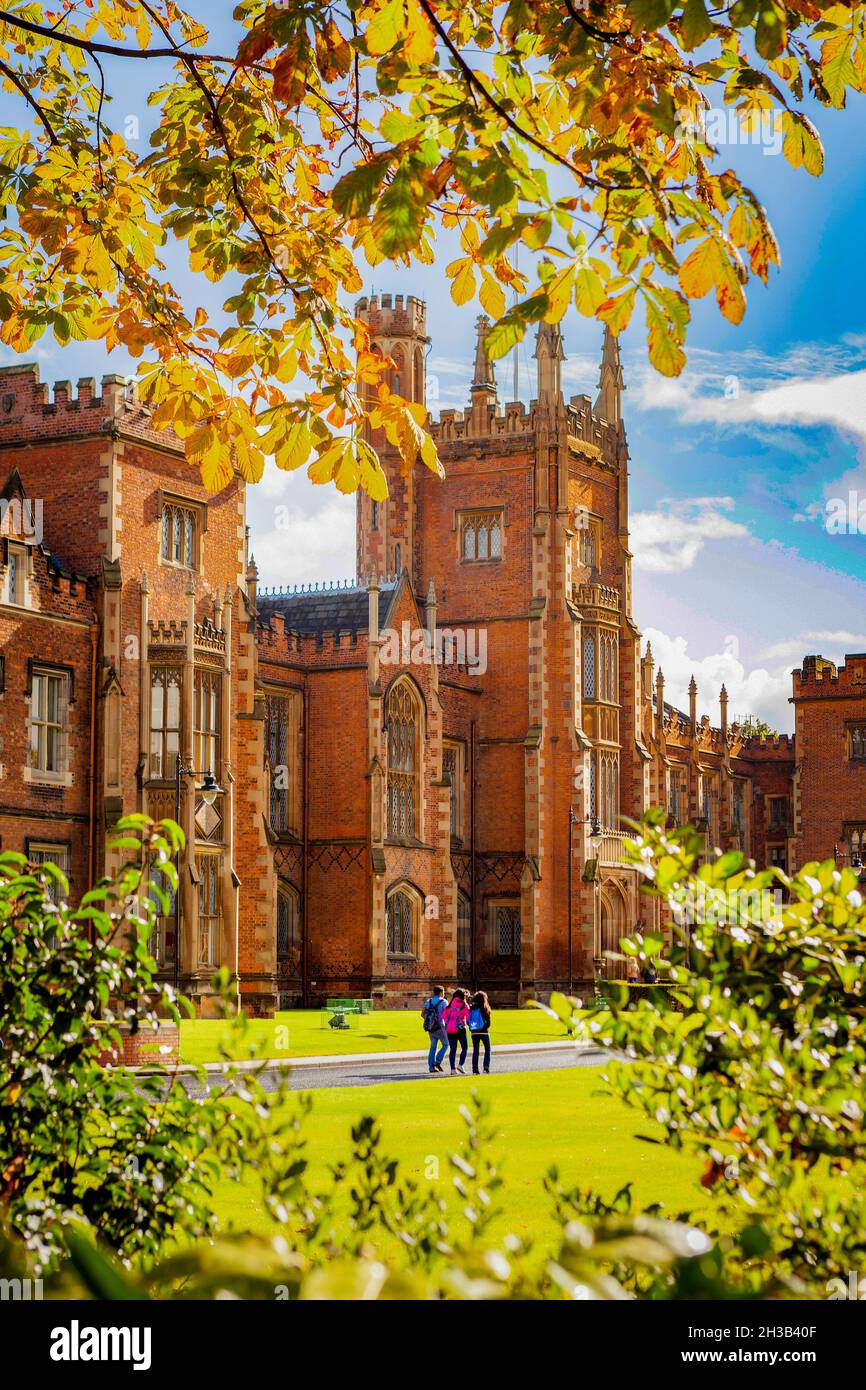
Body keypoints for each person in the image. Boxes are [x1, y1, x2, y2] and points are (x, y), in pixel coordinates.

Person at [441, 988, 470, 1074]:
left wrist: (449, 1024)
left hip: (450, 1030)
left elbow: (444, 1017)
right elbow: (468, 1017)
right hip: (461, 1029)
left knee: (452, 1050)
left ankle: (452, 1069)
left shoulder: (449, 1006)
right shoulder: (464, 1005)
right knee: (465, 1048)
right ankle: (460, 1065)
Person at [421, 985, 448, 1073]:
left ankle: (431, 1067)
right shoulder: (444, 1002)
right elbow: (447, 1015)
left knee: (433, 1047)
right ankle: (438, 1061)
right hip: (440, 1027)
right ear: (440, 993)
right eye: (443, 992)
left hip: (430, 1028)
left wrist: (430, 1020)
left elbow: (422, 1014)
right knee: (445, 1044)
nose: (444, 994)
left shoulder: (428, 1001)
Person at [468, 990, 492, 1074]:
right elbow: (489, 1023)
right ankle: (486, 1068)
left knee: (475, 1051)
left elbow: (468, 1021)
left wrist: (473, 1027)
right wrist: (483, 1027)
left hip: (474, 1032)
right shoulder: (485, 1008)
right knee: (488, 1050)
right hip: (484, 1032)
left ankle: (475, 1070)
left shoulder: (471, 1008)